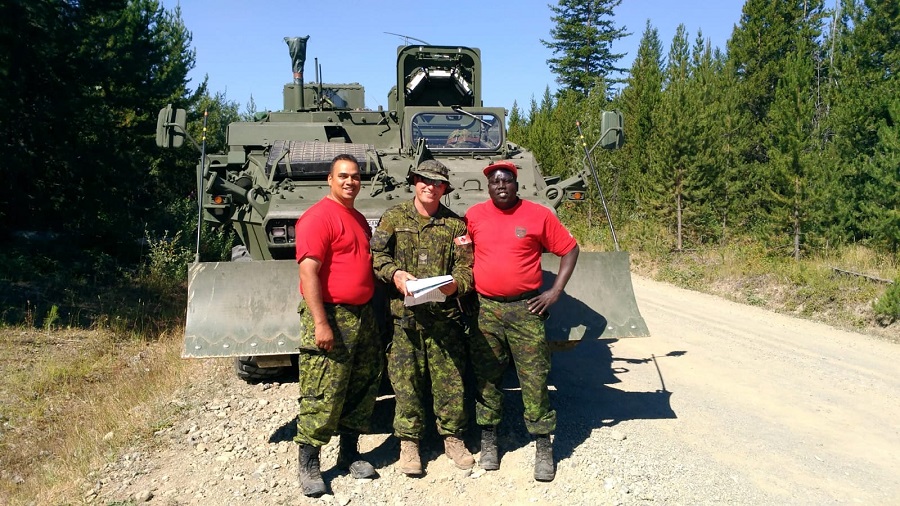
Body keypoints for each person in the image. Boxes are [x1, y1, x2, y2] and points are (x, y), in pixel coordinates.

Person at [465, 159, 580, 482]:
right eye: (494, 182)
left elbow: (570, 250)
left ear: (517, 185)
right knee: (487, 377)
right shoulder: (474, 216)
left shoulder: (538, 215)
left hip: (525, 311)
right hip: (485, 309)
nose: (500, 186)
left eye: (506, 181)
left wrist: (555, 292)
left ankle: (543, 446)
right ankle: (489, 441)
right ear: (488, 187)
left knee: (534, 378)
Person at [371, 159, 476, 475]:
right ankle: (409, 443)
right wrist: (395, 274)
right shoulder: (393, 218)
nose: (430, 186)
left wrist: (457, 284)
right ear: (414, 181)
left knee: (451, 382)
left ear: (445, 189)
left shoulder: (457, 226)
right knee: (406, 382)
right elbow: (376, 255)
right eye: (423, 180)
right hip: (406, 320)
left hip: (444, 320)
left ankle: (453, 438)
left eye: (437, 183)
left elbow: (467, 267)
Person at [293, 154, 383, 497]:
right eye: (343, 176)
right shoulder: (318, 218)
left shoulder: (358, 218)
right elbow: (308, 271)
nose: (350, 182)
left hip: (362, 315)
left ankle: (349, 453)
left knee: (361, 385)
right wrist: (320, 322)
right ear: (330, 180)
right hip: (331, 314)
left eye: (356, 176)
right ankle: (309, 464)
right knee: (323, 391)